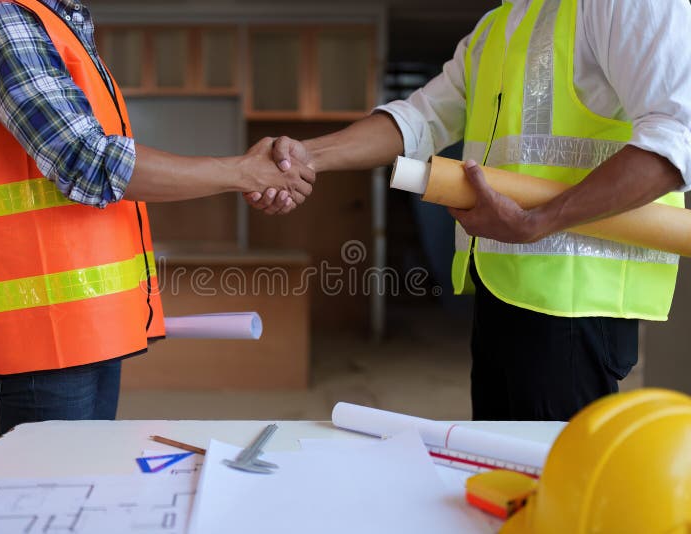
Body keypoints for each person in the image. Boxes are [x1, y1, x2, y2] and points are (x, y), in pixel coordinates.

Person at [250, 0, 691, 421]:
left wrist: (539, 221)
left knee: (556, 467)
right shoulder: (495, 28)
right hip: (501, 287)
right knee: (498, 459)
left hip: (575, 303)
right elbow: (420, 119)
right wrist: (308, 156)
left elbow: (675, 141)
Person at [0, 0, 314, 435]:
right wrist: (244, 172)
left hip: (90, 326)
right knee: (57, 477)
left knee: (90, 468)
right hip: (46, 337)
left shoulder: (61, 27)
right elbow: (88, 160)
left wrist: (254, 172)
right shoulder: (3, 22)